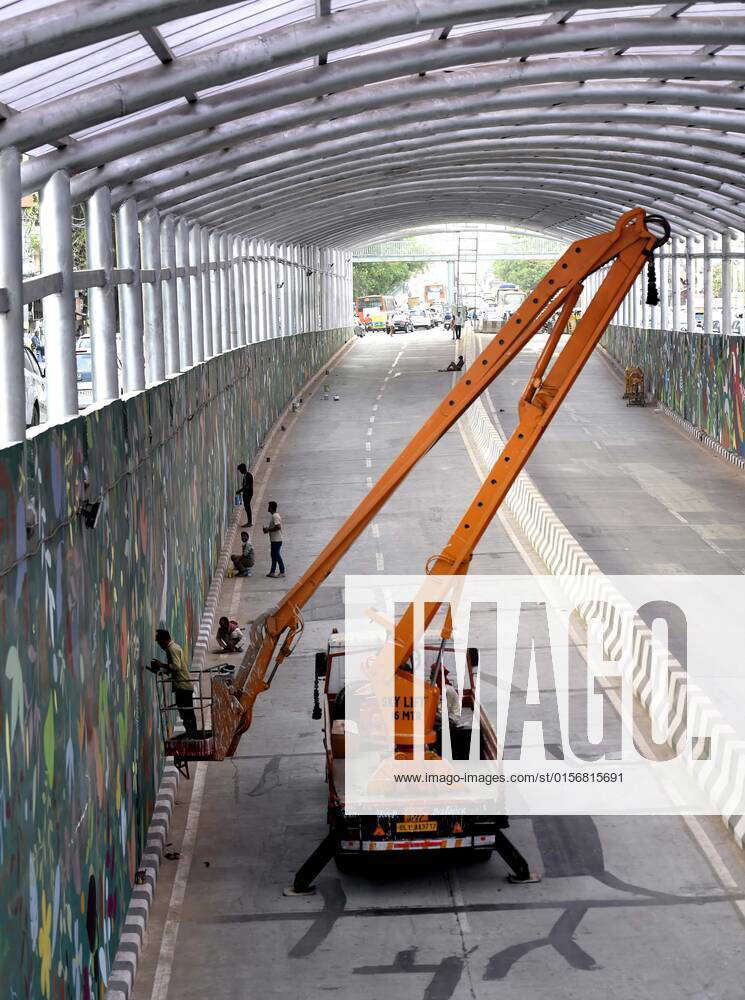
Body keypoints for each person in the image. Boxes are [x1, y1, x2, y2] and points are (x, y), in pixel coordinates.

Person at [148, 628, 198, 738]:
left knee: (185, 712)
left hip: (182, 686)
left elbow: (176, 666)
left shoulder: (171, 649)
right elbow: (175, 668)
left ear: (164, 640)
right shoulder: (175, 647)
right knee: (187, 712)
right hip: (184, 684)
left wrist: (161, 664)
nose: (161, 647)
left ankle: (192, 735)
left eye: (160, 643)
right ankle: (192, 734)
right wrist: (163, 671)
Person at [263, 500, 285, 578]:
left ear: (271, 508)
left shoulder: (275, 516)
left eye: (269, 506)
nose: (268, 508)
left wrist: (268, 529)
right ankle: (272, 571)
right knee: (273, 556)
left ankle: (282, 571)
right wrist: (268, 529)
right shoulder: (274, 516)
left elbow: (278, 527)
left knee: (277, 555)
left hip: (277, 540)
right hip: (274, 540)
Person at [236, 463, 253, 527]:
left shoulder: (248, 476)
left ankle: (249, 522)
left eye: (240, 470)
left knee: (247, 507)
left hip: (248, 494)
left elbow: (247, 487)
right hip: (246, 494)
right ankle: (249, 522)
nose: (240, 471)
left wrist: (240, 491)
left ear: (243, 469)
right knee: (246, 507)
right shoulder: (246, 475)